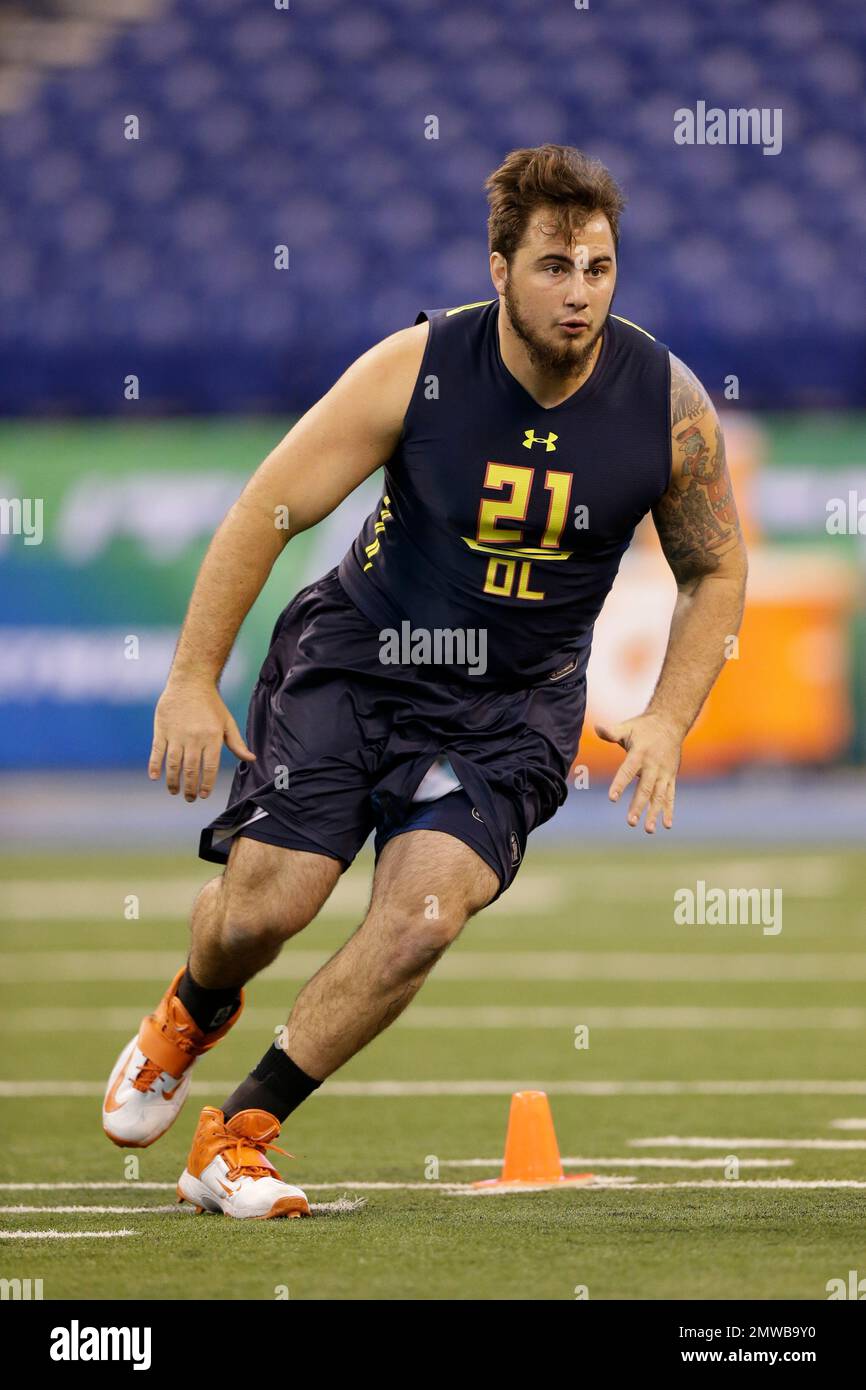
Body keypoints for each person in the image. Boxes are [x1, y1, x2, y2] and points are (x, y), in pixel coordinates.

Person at [102, 144, 747, 1220]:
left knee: (423, 913)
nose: (578, 292)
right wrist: (188, 676)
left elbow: (714, 567)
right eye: (552, 266)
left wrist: (672, 718)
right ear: (498, 270)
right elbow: (269, 506)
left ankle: (238, 1137)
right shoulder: (415, 367)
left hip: (516, 705)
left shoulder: (664, 405)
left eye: (596, 266)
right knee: (268, 907)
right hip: (366, 657)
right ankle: (192, 1005)